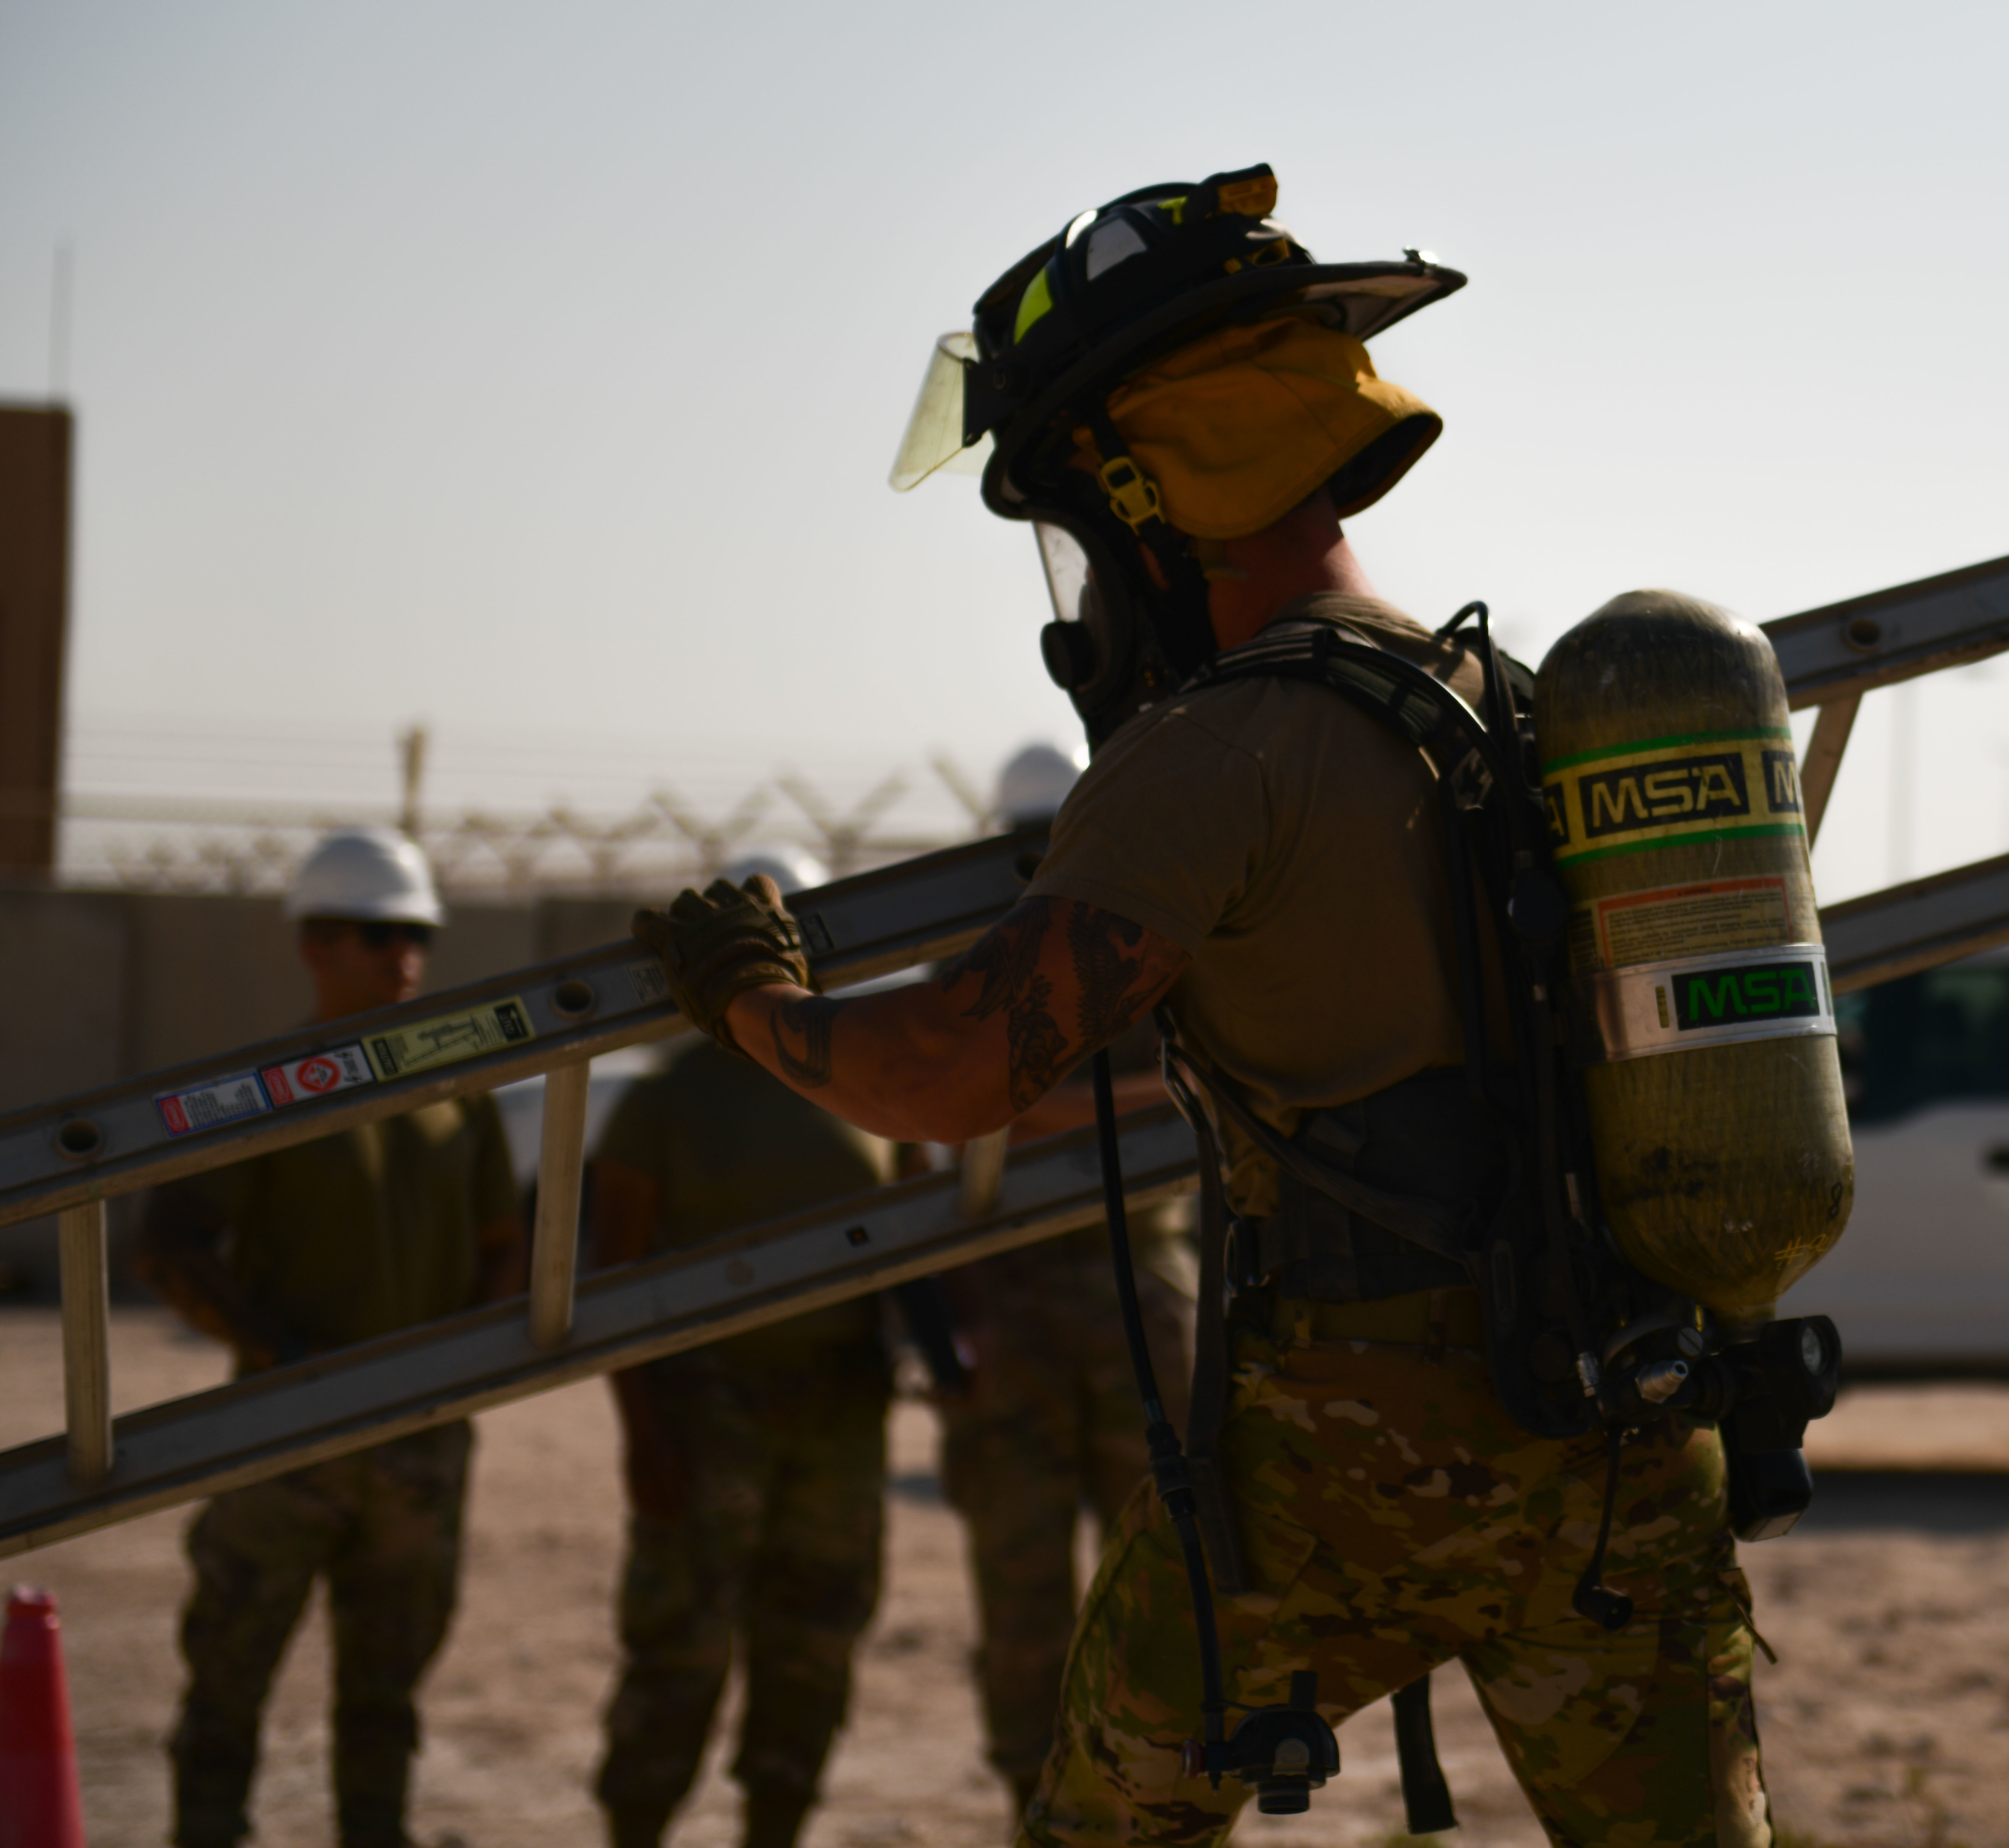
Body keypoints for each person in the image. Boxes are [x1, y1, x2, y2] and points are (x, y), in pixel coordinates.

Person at [636, 164, 1773, 1845]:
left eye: (1079, 530)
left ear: (1142, 499)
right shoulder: (1511, 701)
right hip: (1622, 1420)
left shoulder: (1215, 751)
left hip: (1344, 1468)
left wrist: (749, 997)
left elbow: (948, 1072)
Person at [137, 828, 525, 1848]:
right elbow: (170, 1243)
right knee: (227, 1682)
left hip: (417, 1444)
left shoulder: (456, 1084)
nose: (405, 955)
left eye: (417, 935)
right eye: (378, 933)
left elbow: (506, 1242)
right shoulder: (269, 1087)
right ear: (316, 942)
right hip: (284, 1443)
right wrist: (280, 1357)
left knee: (386, 1699)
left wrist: (464, 1358)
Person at [587, 848, 895, 1848]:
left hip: (840, 1410)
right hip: (706, 1410)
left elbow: (922, 1231)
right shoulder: (665, 1098)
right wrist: (642, 1432)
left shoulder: (866, 1078)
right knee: (680, 1648)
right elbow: (618, 1278)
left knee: (814, 1646)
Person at [925, 750, 1193, 1814]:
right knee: (1024, 1582)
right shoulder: (968, 953)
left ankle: (1161, 1808)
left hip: (1135, 1288)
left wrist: (1051, 1108)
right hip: (1027, 1293)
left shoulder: (1157, 931)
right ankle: (1033, 1809)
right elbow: (981, 1102)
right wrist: (1160, 1094)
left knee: (1172, 1577)